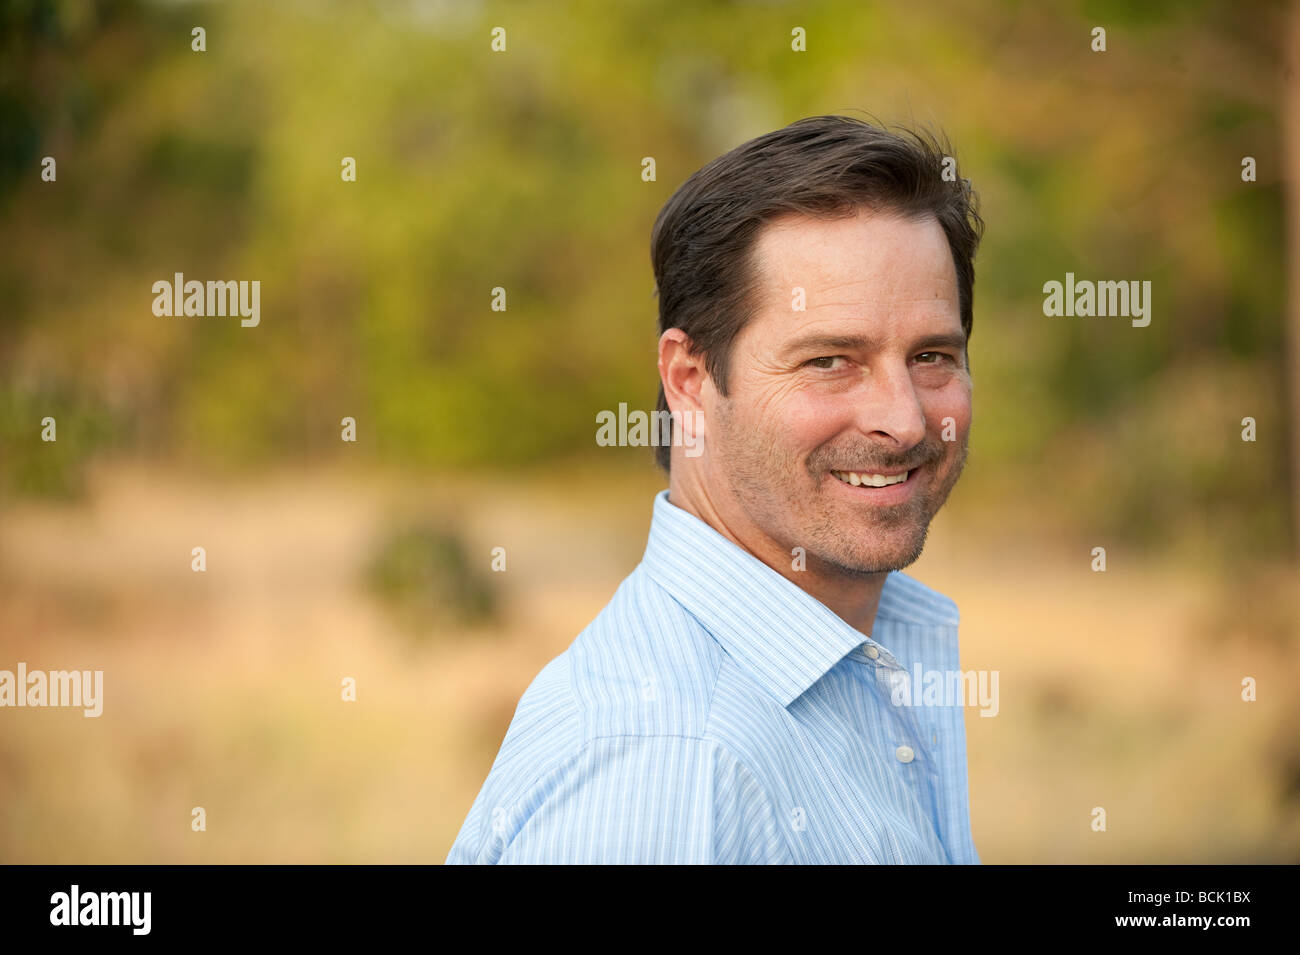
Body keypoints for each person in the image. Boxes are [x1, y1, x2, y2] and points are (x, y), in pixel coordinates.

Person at [447, 114, 984, 864]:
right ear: (690, 382)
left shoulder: (857, 656)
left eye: (931, 354)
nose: (903, 417)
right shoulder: (667, 760)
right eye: (831, 360)